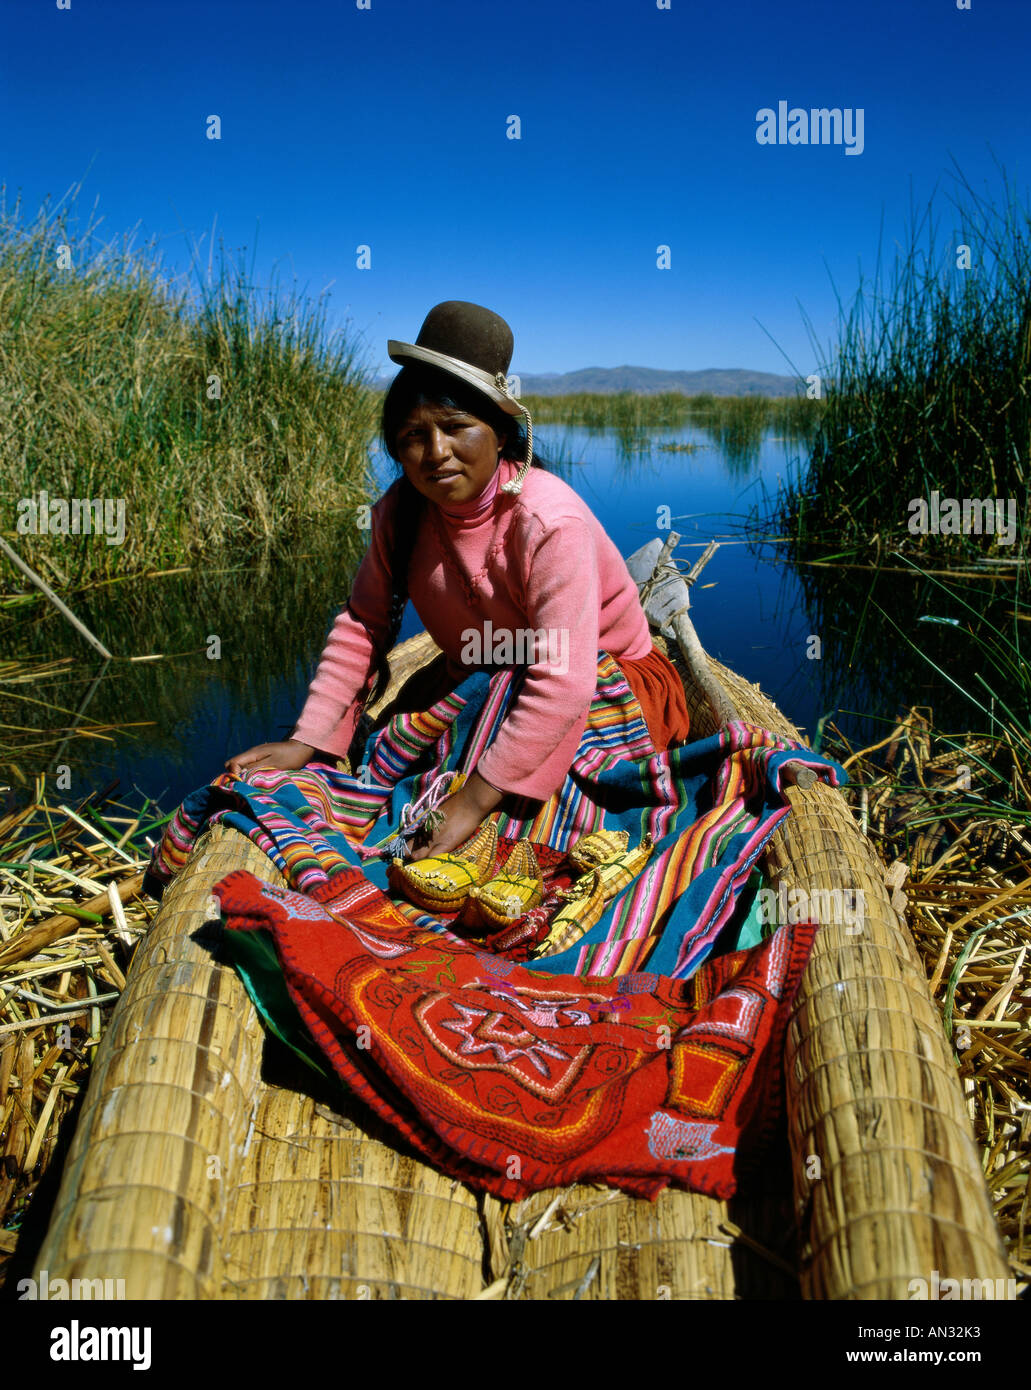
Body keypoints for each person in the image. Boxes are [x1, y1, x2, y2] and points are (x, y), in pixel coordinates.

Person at [225, 301, 690, 859]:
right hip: (481, 668)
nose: (436, 453)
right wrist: (307, 740)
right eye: (413, 435)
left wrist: (473, 799)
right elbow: (363, 625)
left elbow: (563, 679)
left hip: (604, 683)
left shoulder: (547, 521)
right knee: (388, 771)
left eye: (455, 427)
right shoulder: (400, 512)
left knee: (532, 830)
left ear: (498, 432)